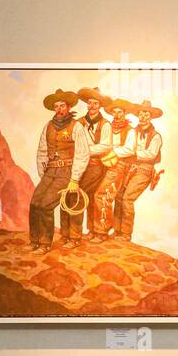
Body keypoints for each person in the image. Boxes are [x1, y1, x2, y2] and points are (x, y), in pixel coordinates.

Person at [29, 88, 90, 253]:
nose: (59, 109)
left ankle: (44, 244)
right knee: (35, 203)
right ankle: (34, 240)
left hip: (67, 172)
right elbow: (42, 151)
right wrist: (43, 174)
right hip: (50, 172)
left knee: (46, 205)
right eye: (56, 106)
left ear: (68, 107)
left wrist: (75, 178)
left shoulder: (76, 126)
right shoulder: (48, 126)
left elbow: (82, 153)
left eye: (62, 105)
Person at [90, 99, 138, 241]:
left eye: (120, 112)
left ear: (125, 113)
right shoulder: (108, 127)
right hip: (103, 163)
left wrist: (112, 152)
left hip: (119, 165)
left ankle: (101, 232)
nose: (117, 115)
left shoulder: (130, 131)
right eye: (114, 112)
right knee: (94, 192)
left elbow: (129, 150)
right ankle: (94, 229)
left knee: (102, 195)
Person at [116, 99, 164, 242]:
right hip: (129, 167)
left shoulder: (156, 136)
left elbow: (151, 154)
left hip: (145, 169)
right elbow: (127, 148)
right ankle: (116, 231)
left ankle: (125, 234)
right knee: (118, 196)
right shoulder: (132, 132)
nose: (143, 116)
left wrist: (135, 154)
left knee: (127, 198)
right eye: (141, 113)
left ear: (151, 117)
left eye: (147, 114)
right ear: (138, 115)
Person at [75, 87, 114, 242]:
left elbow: (106, 146)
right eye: (90, 103)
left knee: (87, 194)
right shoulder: (78, 122)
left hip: (96, 165)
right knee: (89, 197)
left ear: (100, 106)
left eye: (95, 103)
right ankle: (91, 230)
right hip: (80, 164)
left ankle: (99, 232)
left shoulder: (105, 124)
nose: (92, 106)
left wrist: (85, 150)